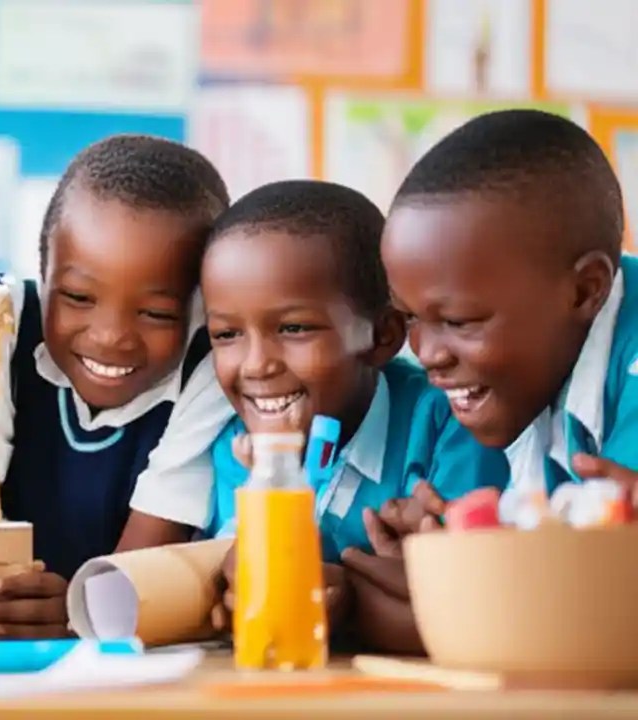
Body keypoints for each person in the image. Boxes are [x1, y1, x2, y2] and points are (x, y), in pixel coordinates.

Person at [356, 108, 638, 652]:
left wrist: (387, 612)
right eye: (411, 317)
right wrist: (456, 560)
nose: (429, 354)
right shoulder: (537, 368)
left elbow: (585, 618)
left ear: (585, 290)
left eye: (459, 322)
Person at [185, 180, 508, 638]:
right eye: (226, 334)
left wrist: (347, 599)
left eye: (294, 328)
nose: (256, 364)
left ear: (382, 336)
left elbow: (478, 598)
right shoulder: (232, 446)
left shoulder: (450, 422)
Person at [0, 135, 233, 638]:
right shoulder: (2, 324)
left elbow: (129, 585)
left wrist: (77, 613)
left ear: (202, 306)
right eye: (78, 296)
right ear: (43, 273)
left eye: (156, 313)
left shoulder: (211, 370)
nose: (111, 337)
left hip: (127, 657)